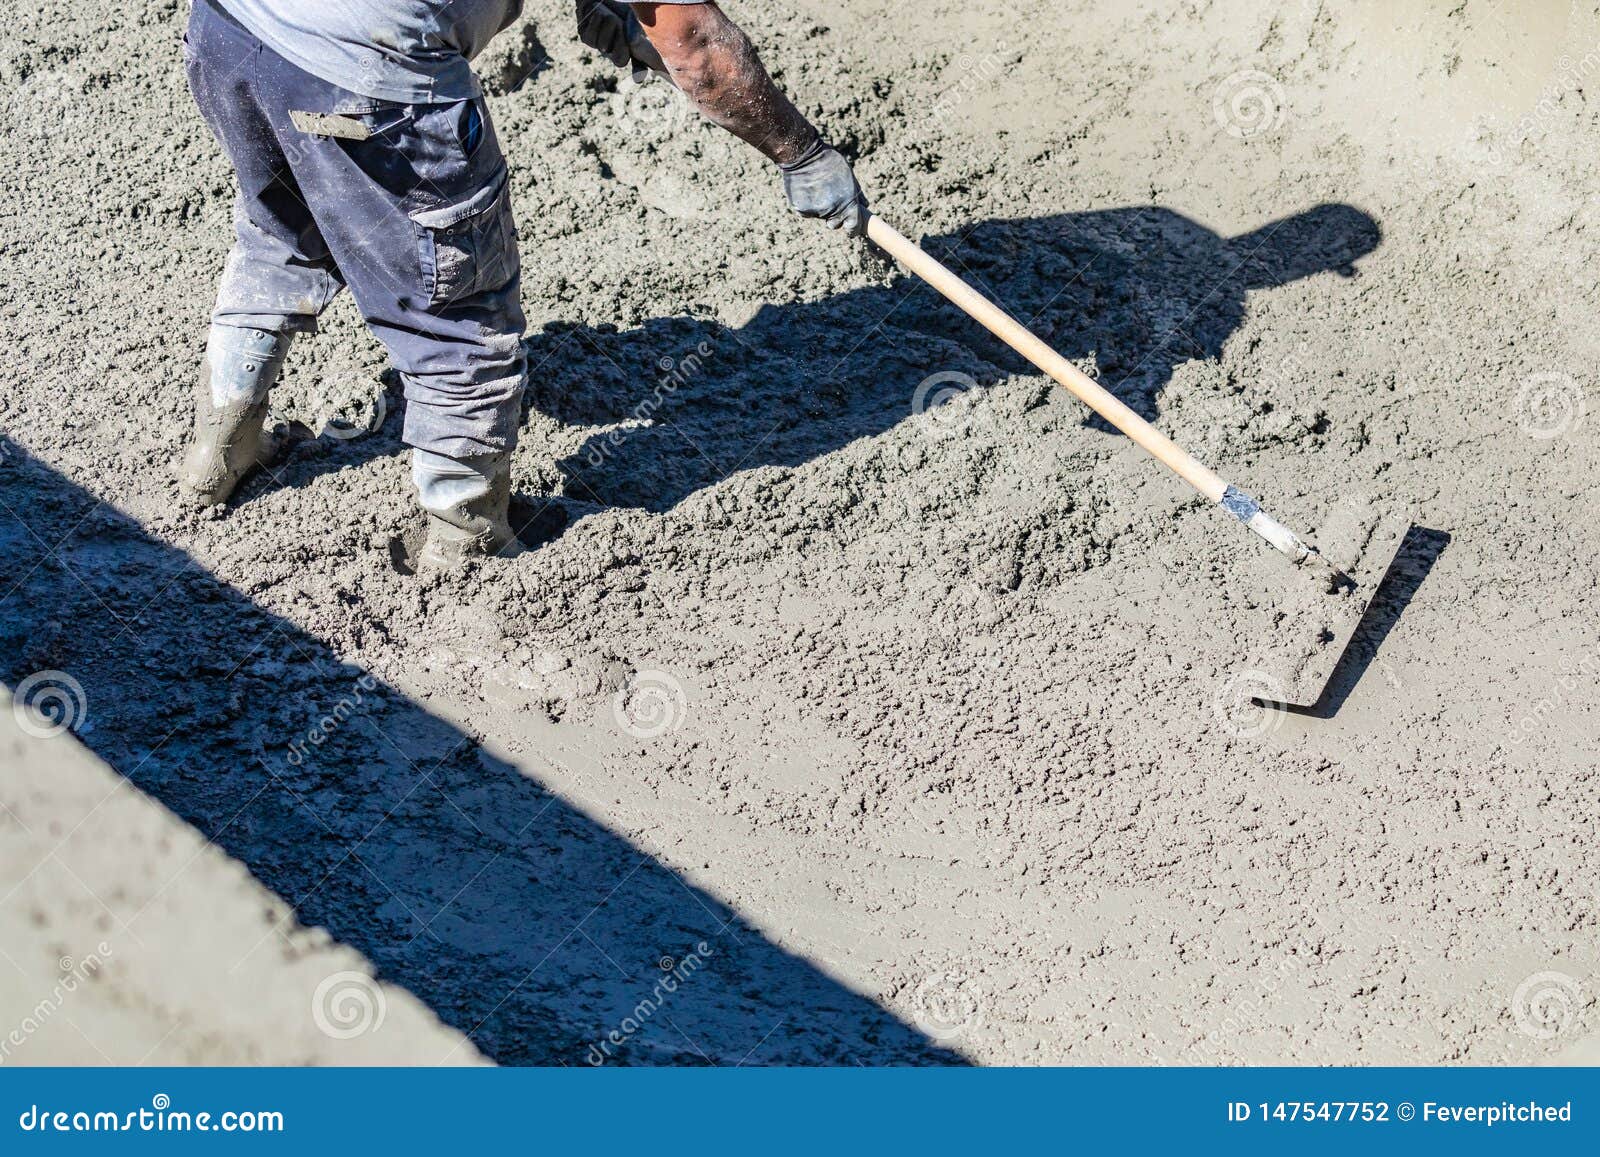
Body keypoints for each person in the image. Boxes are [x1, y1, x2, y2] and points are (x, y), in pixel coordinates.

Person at [180, 0, 867, 568]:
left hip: (231, 34)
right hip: (363, 77)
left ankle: (222, 442)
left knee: (283, 225)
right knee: (455, 304)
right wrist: (799, 152)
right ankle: (464, 535)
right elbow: (692, 39)